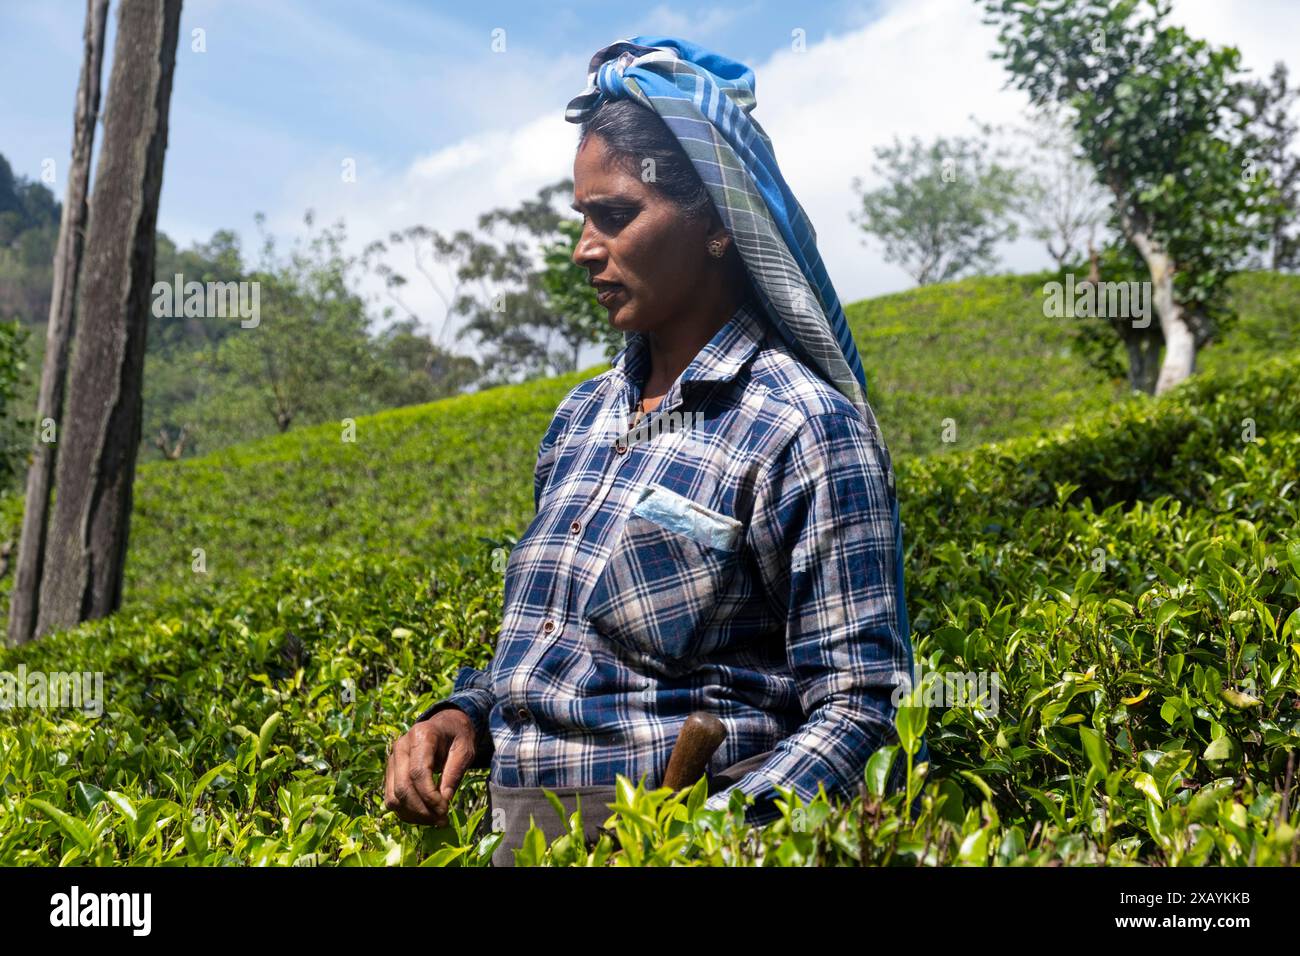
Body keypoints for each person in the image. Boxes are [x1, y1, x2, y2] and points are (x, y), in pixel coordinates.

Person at [383, 35, 929, 867]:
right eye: (583, 219)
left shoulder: (802, 426)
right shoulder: (579, 420)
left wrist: (710, 838)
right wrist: (464, 716)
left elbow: (867, 708)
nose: (585, 249)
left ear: (714, 221)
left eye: (616, 216)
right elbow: (556, 652)